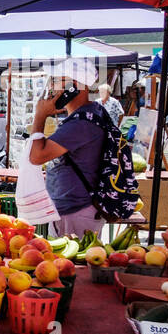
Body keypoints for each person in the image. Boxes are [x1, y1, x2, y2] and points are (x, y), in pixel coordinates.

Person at [28, 84, 106, 237]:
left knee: (69, 261)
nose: (52, 88)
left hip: (76, 211)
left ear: (75, 86)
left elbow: (36, 156)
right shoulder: (90, 113)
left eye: (60, 81)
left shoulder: (81, 123)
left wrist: (40, 115)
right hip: (78, 208)